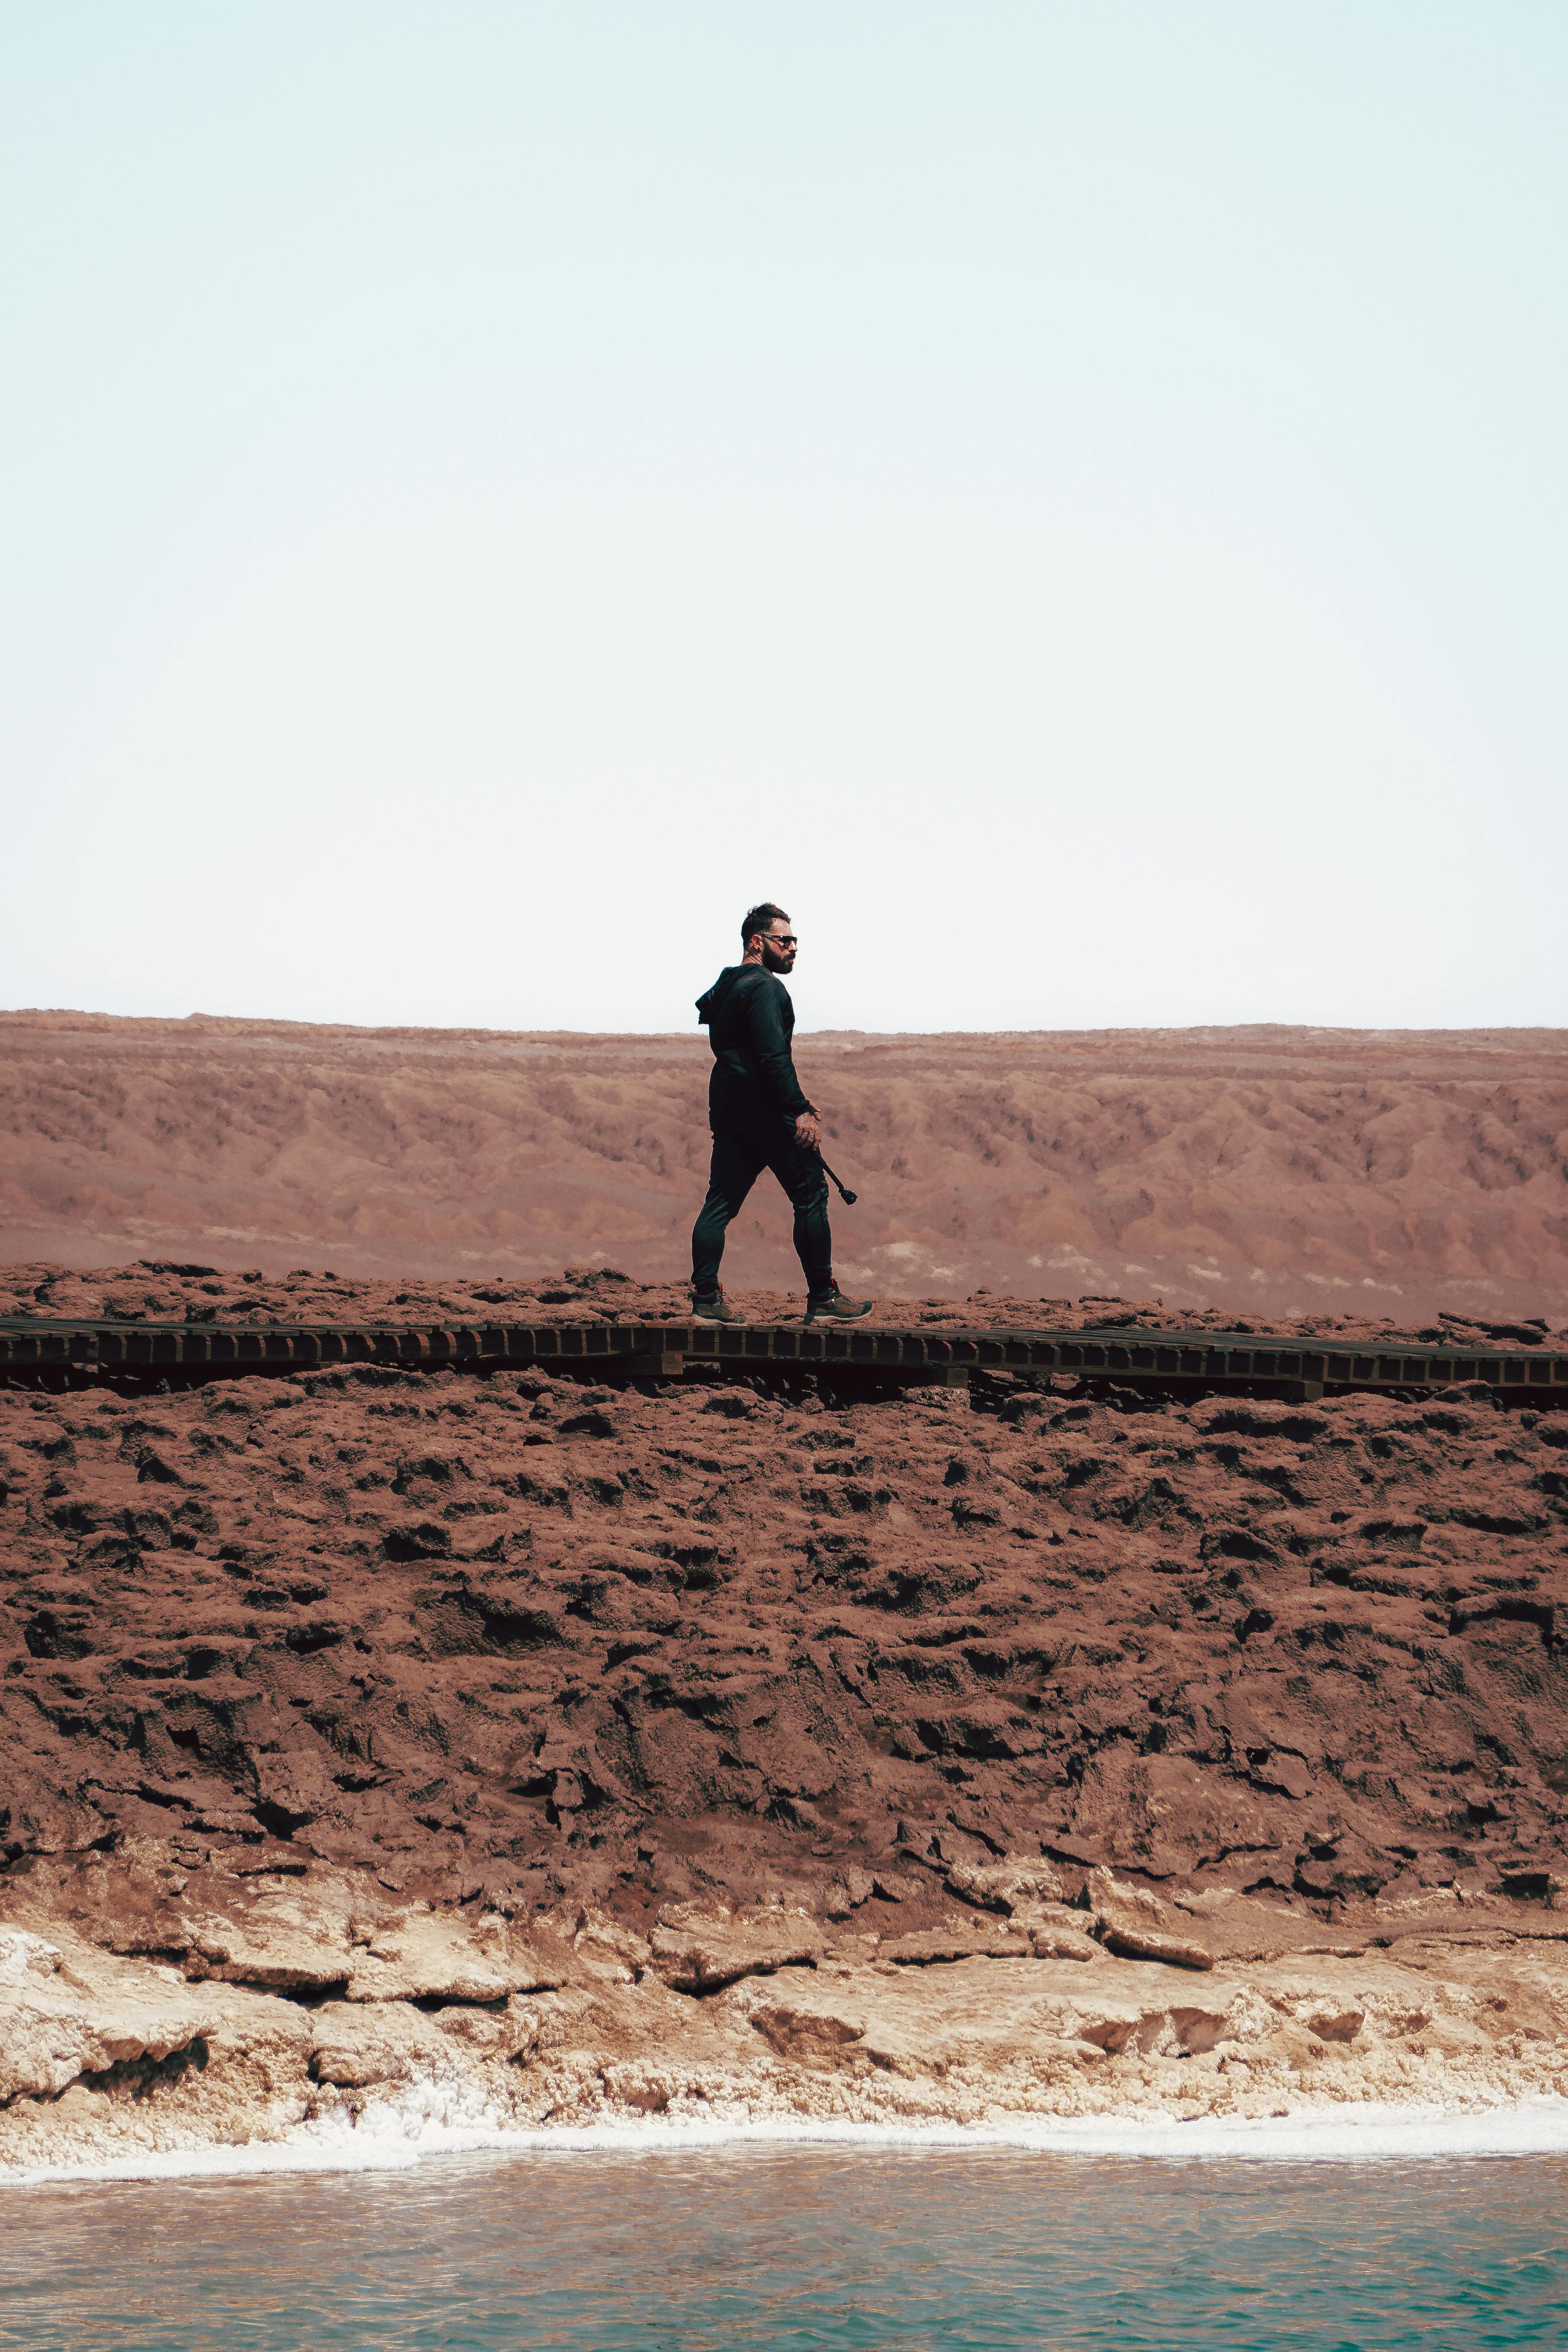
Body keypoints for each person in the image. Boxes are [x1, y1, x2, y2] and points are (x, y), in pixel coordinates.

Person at [690, 903, 874, 1326]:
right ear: (758, 942)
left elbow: (740, 1052)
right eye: (784, 940)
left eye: (795, 941)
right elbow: (773, 1056)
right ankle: (824, 1299)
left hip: (730, 1109)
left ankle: (705, 1298)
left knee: (719, 1201)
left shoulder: (728, 986)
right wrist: (799, 1110)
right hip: (767, 1113)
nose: (793, 948)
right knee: (811, 1194)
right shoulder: (765, 989)